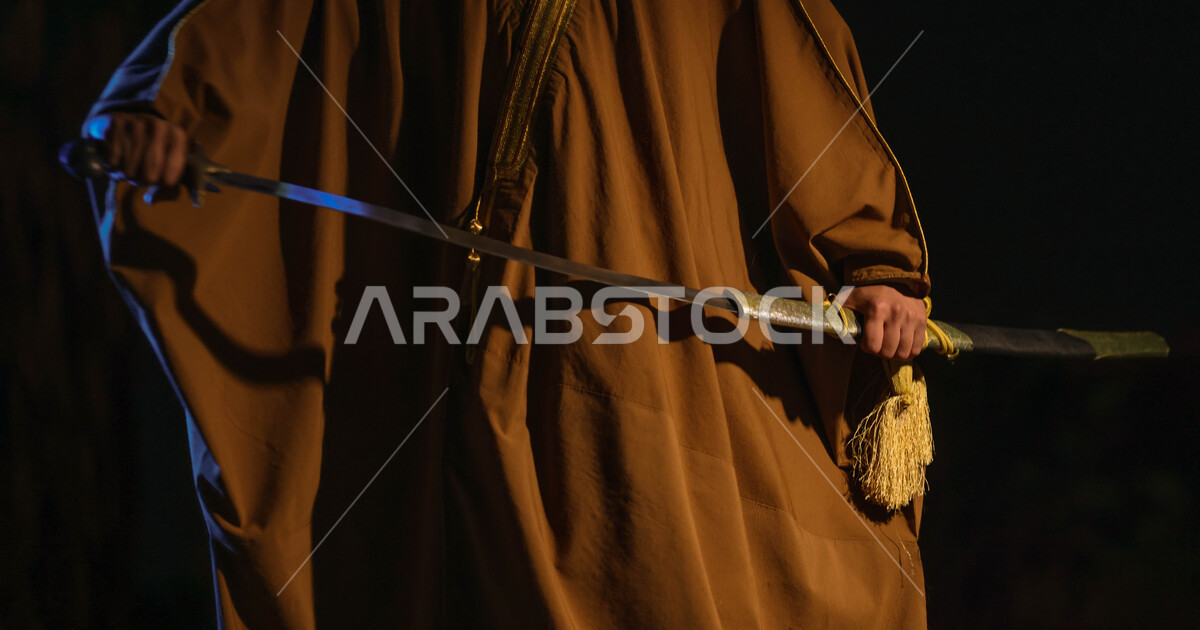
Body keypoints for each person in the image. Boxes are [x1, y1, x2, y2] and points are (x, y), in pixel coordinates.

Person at [84, 0, 930, 627]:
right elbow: (256, 28)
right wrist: (164, 113)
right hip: (432, 368)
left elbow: (798, 81)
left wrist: (871, 263)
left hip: (649, 379)